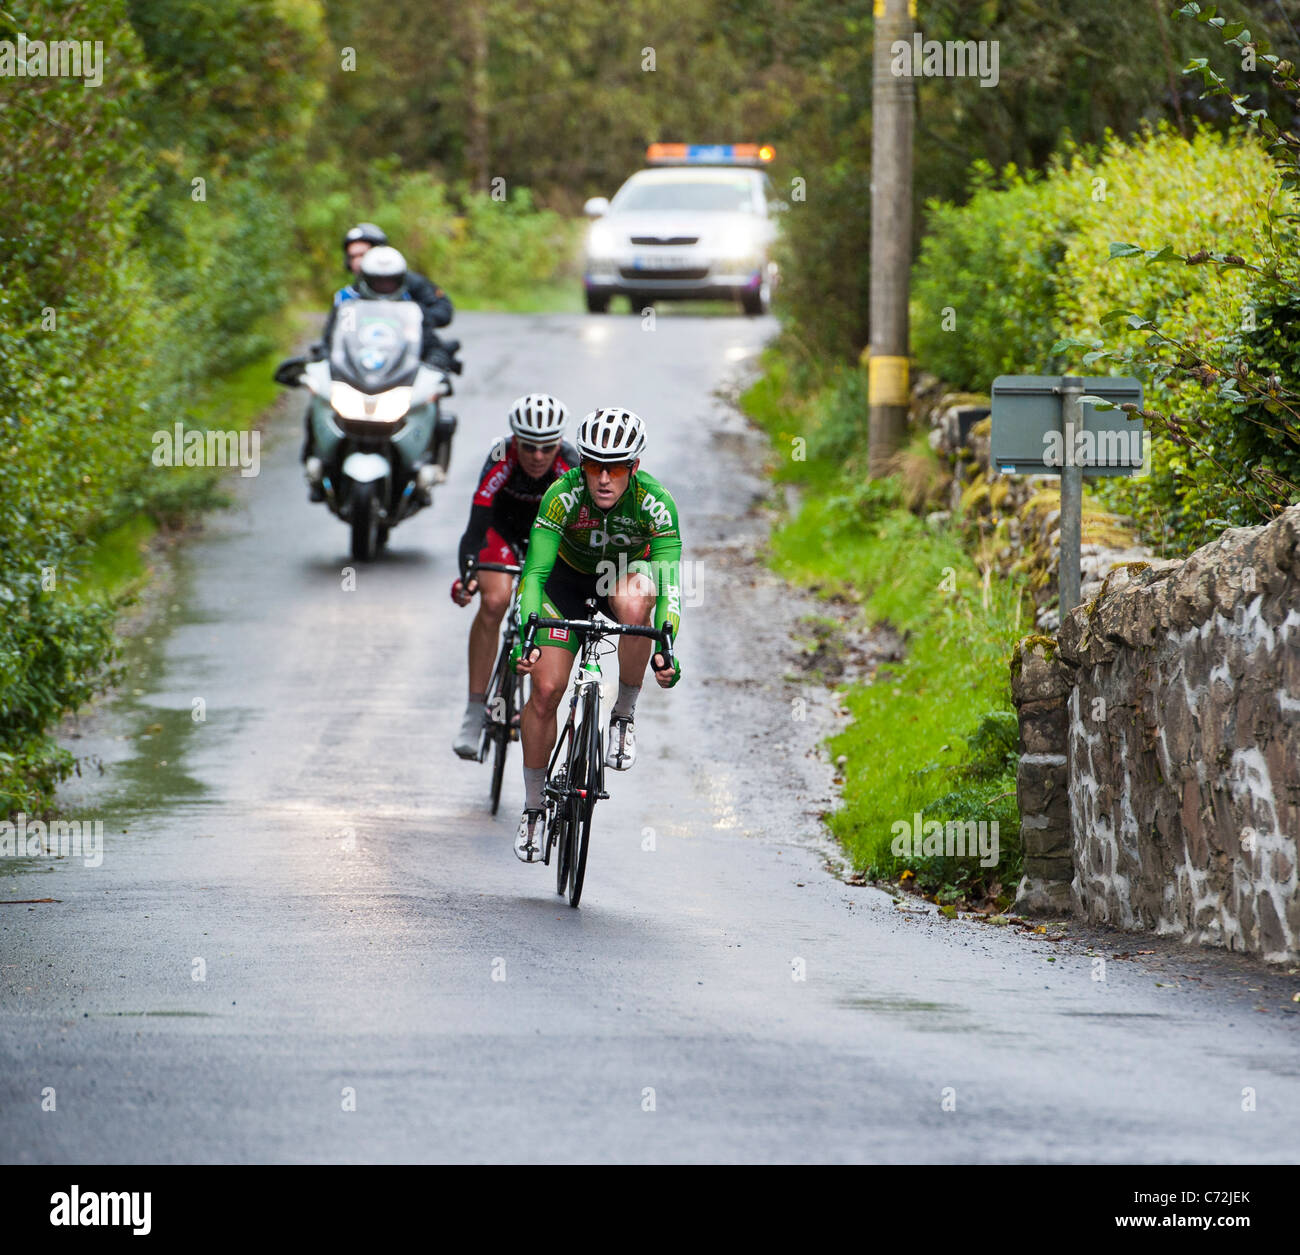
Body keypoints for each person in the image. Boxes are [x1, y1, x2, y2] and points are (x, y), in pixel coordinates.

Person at [509, 407, 682, 863]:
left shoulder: (655, 502)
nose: (604, 478)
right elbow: (534, 574)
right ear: (580, 464)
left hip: (620, 578)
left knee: (638, 597)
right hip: (564, 585)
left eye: (617, 468)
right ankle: (531, 808)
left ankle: (623, 714)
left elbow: (669, 586)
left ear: (634, 468)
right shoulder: (561, 496)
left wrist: (666, 645)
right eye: (592, 466)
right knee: (545, 691)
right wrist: (528, 635)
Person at [450, 394, 578, 759]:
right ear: (515, 440)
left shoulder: (570, 464)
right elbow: (475, 525)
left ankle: (536, 698)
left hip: (549, 538)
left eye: (546, 447)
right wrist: (469, 575)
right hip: (502, 533)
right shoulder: (499, 456)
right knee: (494, 600)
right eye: (529, 446)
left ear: (559, 444)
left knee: (547, 608)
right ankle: (475, 710)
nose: (538, 456)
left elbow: (578, 528)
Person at [303, 245, 457, 500]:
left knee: (433, 402)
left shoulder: (412, 311)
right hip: (356, 380)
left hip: (399, 381)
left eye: (390, 282)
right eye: (377, 282)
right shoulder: (348, 308)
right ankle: (317, 460)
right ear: (365, 280)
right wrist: (320, 358)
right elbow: (330, 342)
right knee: (318, 399)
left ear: (400, 280)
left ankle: (427, 464)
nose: (383, 287)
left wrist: (438, 358)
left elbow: (432, 341)